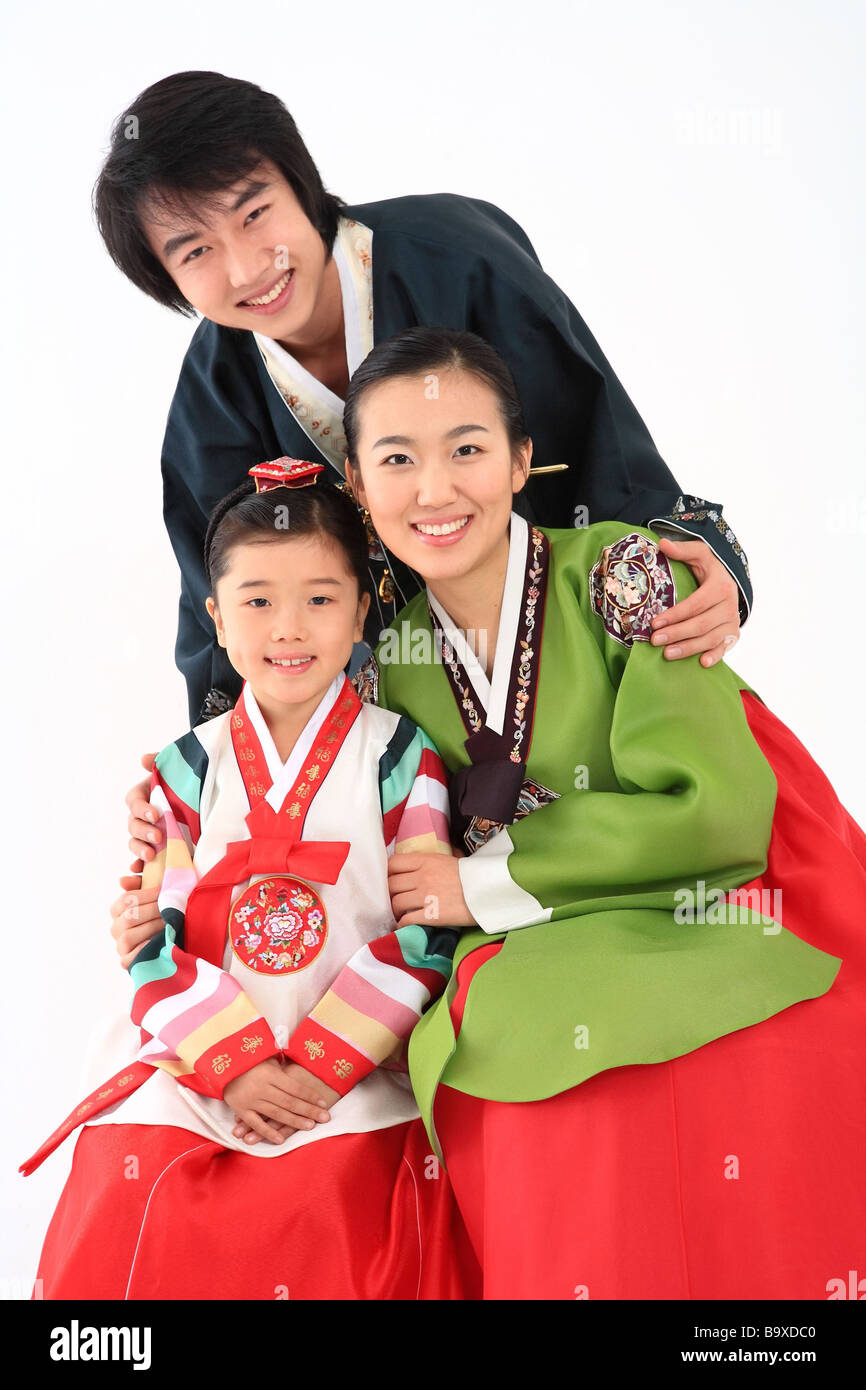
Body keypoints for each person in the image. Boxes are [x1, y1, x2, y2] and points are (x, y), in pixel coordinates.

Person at [228, 327, 865, 1299]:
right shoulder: (387, 658)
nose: (435, 491)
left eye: (467, 450)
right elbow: (336, 829)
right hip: (529, 938)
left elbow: (717, 808)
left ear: (524, 460)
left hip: (702, 894)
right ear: (357, 486)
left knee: (699, 1043)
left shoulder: (617, 569)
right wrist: (175, 877)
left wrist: (481, 882)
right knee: (504, 1034)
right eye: (397, 460)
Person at [95, 69, 750, 730]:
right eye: (197, 251)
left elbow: (599, 443)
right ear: (166, 279)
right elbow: (224, 611)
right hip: (396, 730)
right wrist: (205, 778)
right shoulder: (214, 399)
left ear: (301, 183)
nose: (246, 268)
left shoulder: (463, 263)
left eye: (254, 213)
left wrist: (693, 560)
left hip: (568, 663)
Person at [20, 461, 480, 1300]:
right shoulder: (181, 773)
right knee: (133, 1188)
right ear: (218, 622)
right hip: (201, 1062)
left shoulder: (404, 761)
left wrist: (315, 1065)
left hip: (353, 1061)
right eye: (258, 601)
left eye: (320, 597)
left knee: (343, 1214)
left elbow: (425, 932)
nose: (289, 628)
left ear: (362, 611)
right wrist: (234, 1065)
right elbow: (149, 939)